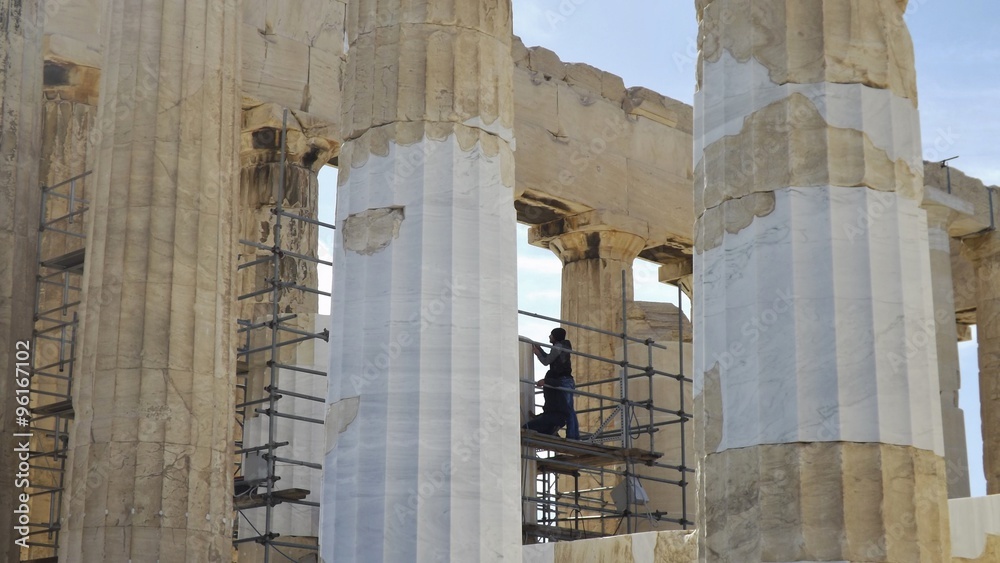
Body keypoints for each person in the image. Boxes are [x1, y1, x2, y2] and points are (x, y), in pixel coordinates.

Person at [523, 328, 580, 439]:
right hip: (565, 380)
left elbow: (546, 361)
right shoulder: (562, 346)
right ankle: (570, 435)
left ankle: (573, 436)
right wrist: (540, 350)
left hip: (563, 380)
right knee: (567, 409)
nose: (549, 336)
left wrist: (538, 353)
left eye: (551, 335)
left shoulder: (557, 347)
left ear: (555, 336)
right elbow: (552, 358)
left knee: (568, 410)